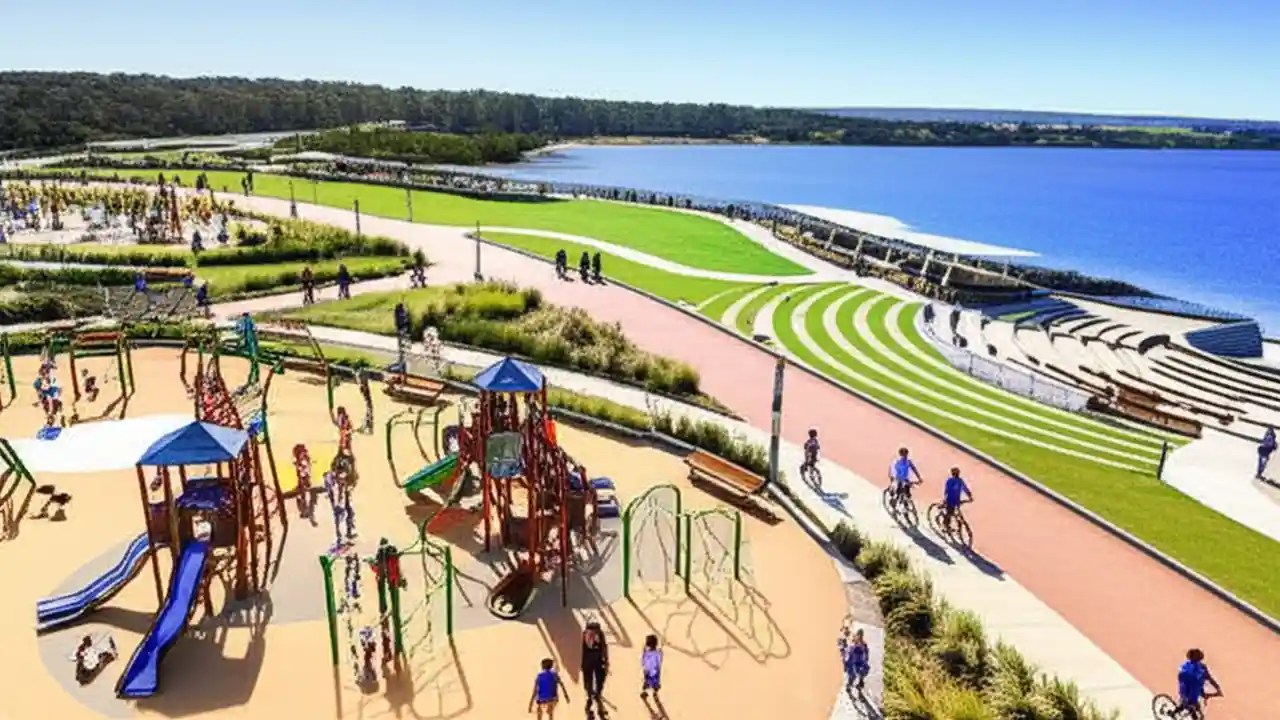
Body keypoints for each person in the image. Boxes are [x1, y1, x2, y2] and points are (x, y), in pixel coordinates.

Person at [1176, 648, 1222, 718]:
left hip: (1188, 690)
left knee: (1191, 706)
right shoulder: (1201, 668)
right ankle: (1174, 712)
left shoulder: (1186, 665)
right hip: (1191, 691)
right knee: (1192, 707)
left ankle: (1175, 712)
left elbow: (1181, 679)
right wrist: (1218, 688)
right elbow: (1209, 679)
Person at [581, 620, 609, 716]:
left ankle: (592, 695)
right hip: (595, 661)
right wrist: (606, 661)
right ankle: (594, 695)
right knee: (596, 680)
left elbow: (604, 647)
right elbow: (604, 648)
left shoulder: (588, 634)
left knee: (592, 680)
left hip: (591, 662)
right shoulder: (598, 634)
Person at [839, 627, 870, 694]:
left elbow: (865, 653)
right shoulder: (858, 644)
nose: (860, 636)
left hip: (858, 662)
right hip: (857, 662)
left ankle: (854, 685)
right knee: (855, 675)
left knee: (855, 675)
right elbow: (865, 654)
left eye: (860, 635)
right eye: (859, 635)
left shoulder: (860, 644)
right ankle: (853, 685)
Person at [941, 467, 973, 531]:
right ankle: (945, 525)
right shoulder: (950, 481)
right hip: (950, 500)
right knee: (950, 513)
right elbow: (947, 491)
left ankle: (959, 526)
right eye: (956, 473)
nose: (958, 474)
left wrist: (969, 496)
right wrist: (945, 499)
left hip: (957, 500)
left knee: (959, 514)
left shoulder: (960, 480)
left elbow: (965, 488)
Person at [640, 633, 662, 701]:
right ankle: (655, 693)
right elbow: (659, 661)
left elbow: (643, 661)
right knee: (655, 683)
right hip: (655, 671)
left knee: (647, 682)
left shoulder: (647, 652)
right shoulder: (657, 653)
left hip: (648, 671)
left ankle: (645, 692)